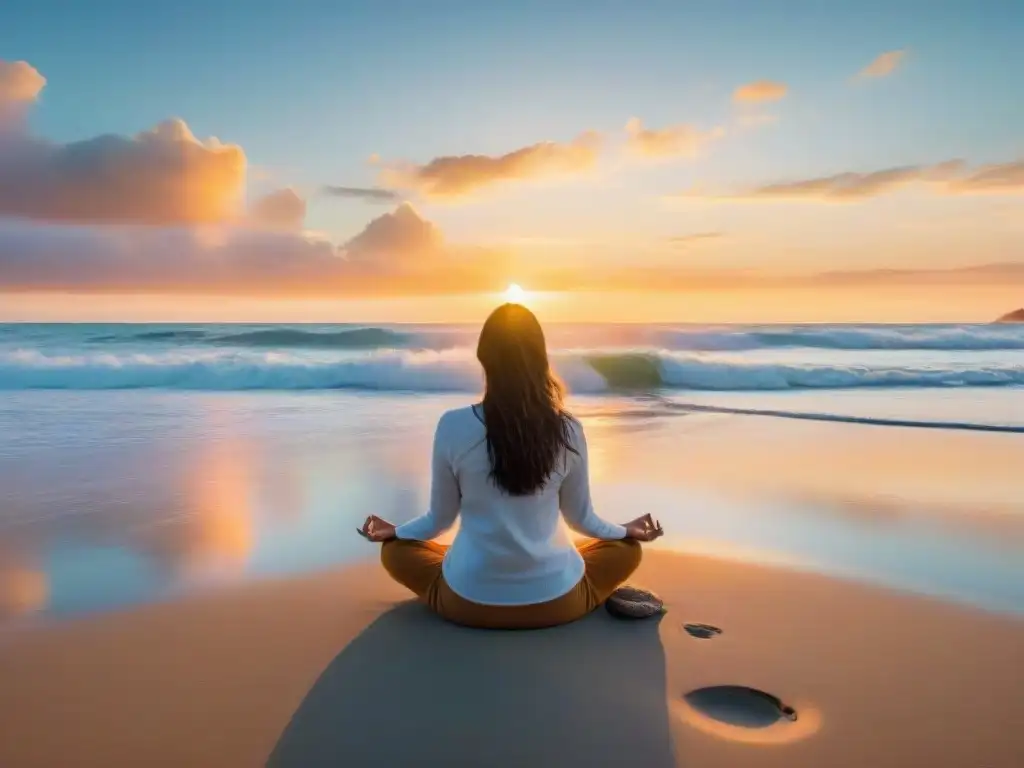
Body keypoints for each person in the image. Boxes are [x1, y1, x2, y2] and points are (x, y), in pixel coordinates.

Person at [359, 303, 664, 629]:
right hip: (558, 604)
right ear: (541, 358)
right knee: (627, 550)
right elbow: (582, 520)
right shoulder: (568, 429)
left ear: (483, 358)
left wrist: (396, 532)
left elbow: (438, 521)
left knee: (395, 551)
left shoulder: (452, 425)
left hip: (467, 603)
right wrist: (625, 530)